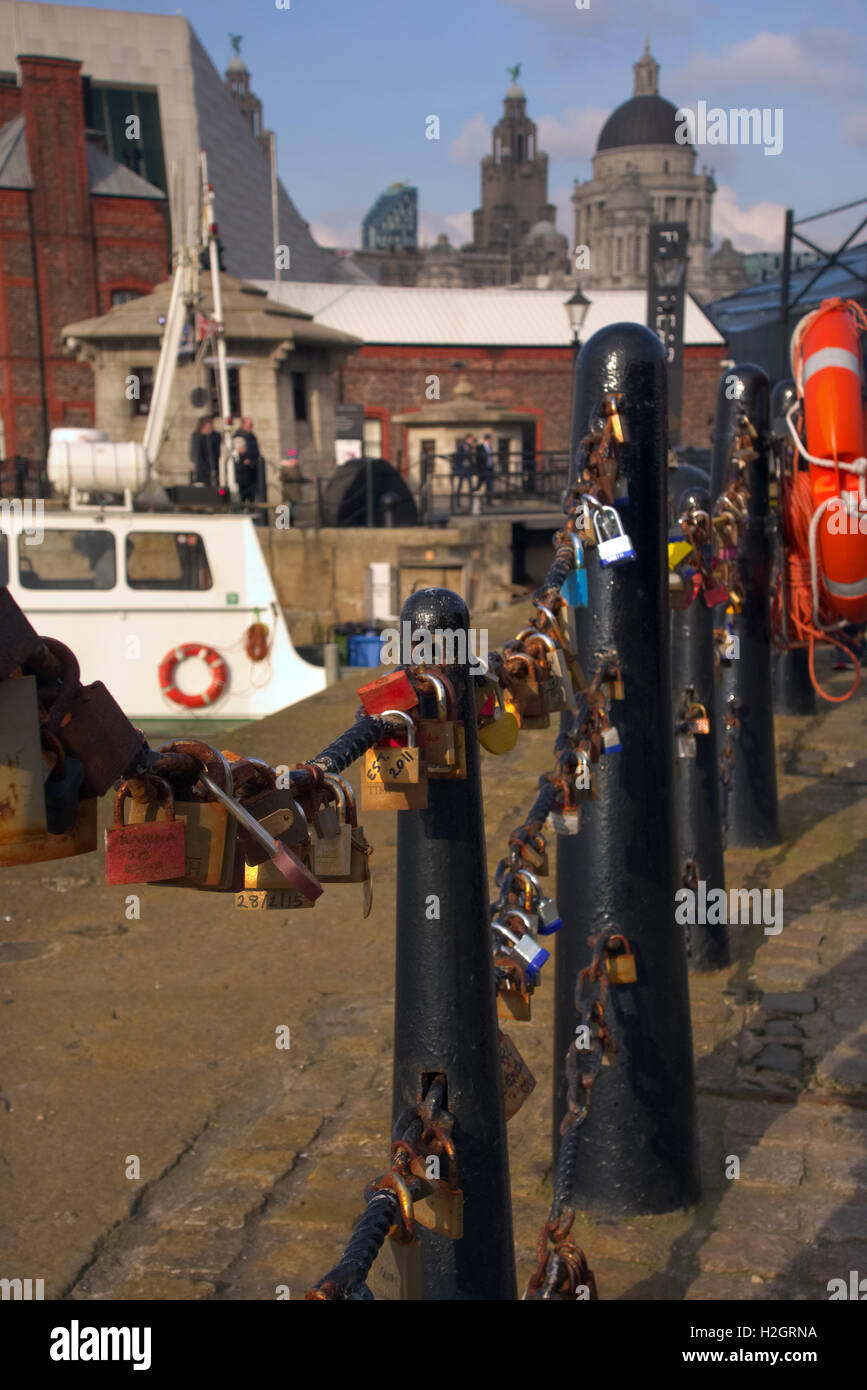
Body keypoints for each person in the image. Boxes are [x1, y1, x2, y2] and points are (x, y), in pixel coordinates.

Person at [233, 415, 262, 503]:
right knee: (243, 496)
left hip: (252, 471)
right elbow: (238, 454)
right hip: (242, 473)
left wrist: (254, 461)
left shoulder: (252, 436)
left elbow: (256, 453)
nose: (251, 427)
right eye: (249, 425)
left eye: (252, 425)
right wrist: (245, 461)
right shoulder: (238, 436)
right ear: (243, 425)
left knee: (252, 496)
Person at [189, 417, 220, 487]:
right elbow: (194, 455)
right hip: (201, 471)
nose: (210, 429)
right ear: (202, 427)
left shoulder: (215, 437)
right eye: (208, 427)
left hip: (214, 469)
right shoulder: (196, 437)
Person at [279, 448, 306, 521]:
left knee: (293, 507)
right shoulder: (285, 468)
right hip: (289, 491)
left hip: (296, 491)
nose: (295, 461)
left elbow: (300, 478)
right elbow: (282, 478)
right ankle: (287, 522)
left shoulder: (296, 468)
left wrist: (310, 481)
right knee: (289, 507)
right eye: (294, 459)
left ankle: (291, 521)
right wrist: (288, 478)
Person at [451, 434, 473, 509]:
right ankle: (458, 502)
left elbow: (470, 458)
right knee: (460, 486)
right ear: (467, 439)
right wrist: (457, 469)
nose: (471, 441)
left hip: (468, 469)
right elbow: (458, 458)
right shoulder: (461, 446)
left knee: (470, 486)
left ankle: (471, 502)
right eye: (470, 439)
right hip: (462, 469)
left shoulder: (470, 447)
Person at [473, 433, 494, 502]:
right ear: (488, 439)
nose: (491, 440)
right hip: (483, 469)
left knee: (489, 485)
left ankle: (489, 501)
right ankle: (473, 498)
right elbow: (478, 458)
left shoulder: (490, 447)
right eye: (490, 439)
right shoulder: (480, 447)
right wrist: (479, 468)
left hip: (489, 468)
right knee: (479, 484)